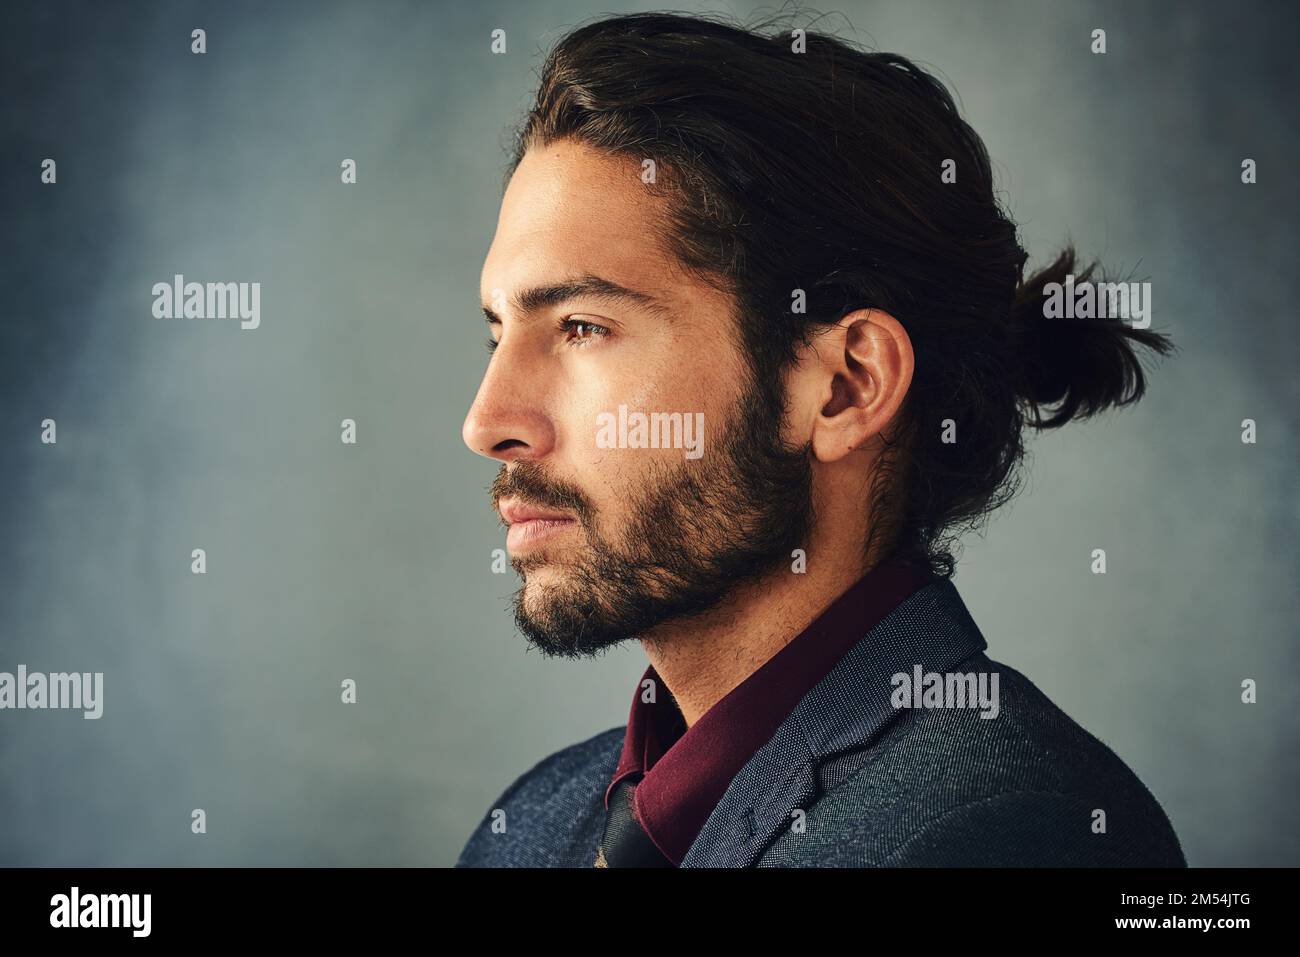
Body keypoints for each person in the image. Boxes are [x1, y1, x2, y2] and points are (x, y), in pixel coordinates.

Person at [456, 12, 1183, 867]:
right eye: (499, 332)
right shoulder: (536, 822)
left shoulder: (1012, 832)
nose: (486, 422)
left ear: (845, 387)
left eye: (581, 326)